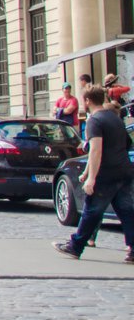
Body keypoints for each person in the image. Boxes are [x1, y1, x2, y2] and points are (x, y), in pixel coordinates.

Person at [54, 84, 134, 262]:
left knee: (92, 210)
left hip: (106, 174)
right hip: (124, 171)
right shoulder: (115, 119)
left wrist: (91, 178)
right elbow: (126, 143)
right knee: (127, 211)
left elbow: (96, 150)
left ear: (88, 100)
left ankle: (75, 246)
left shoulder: (94, 121)